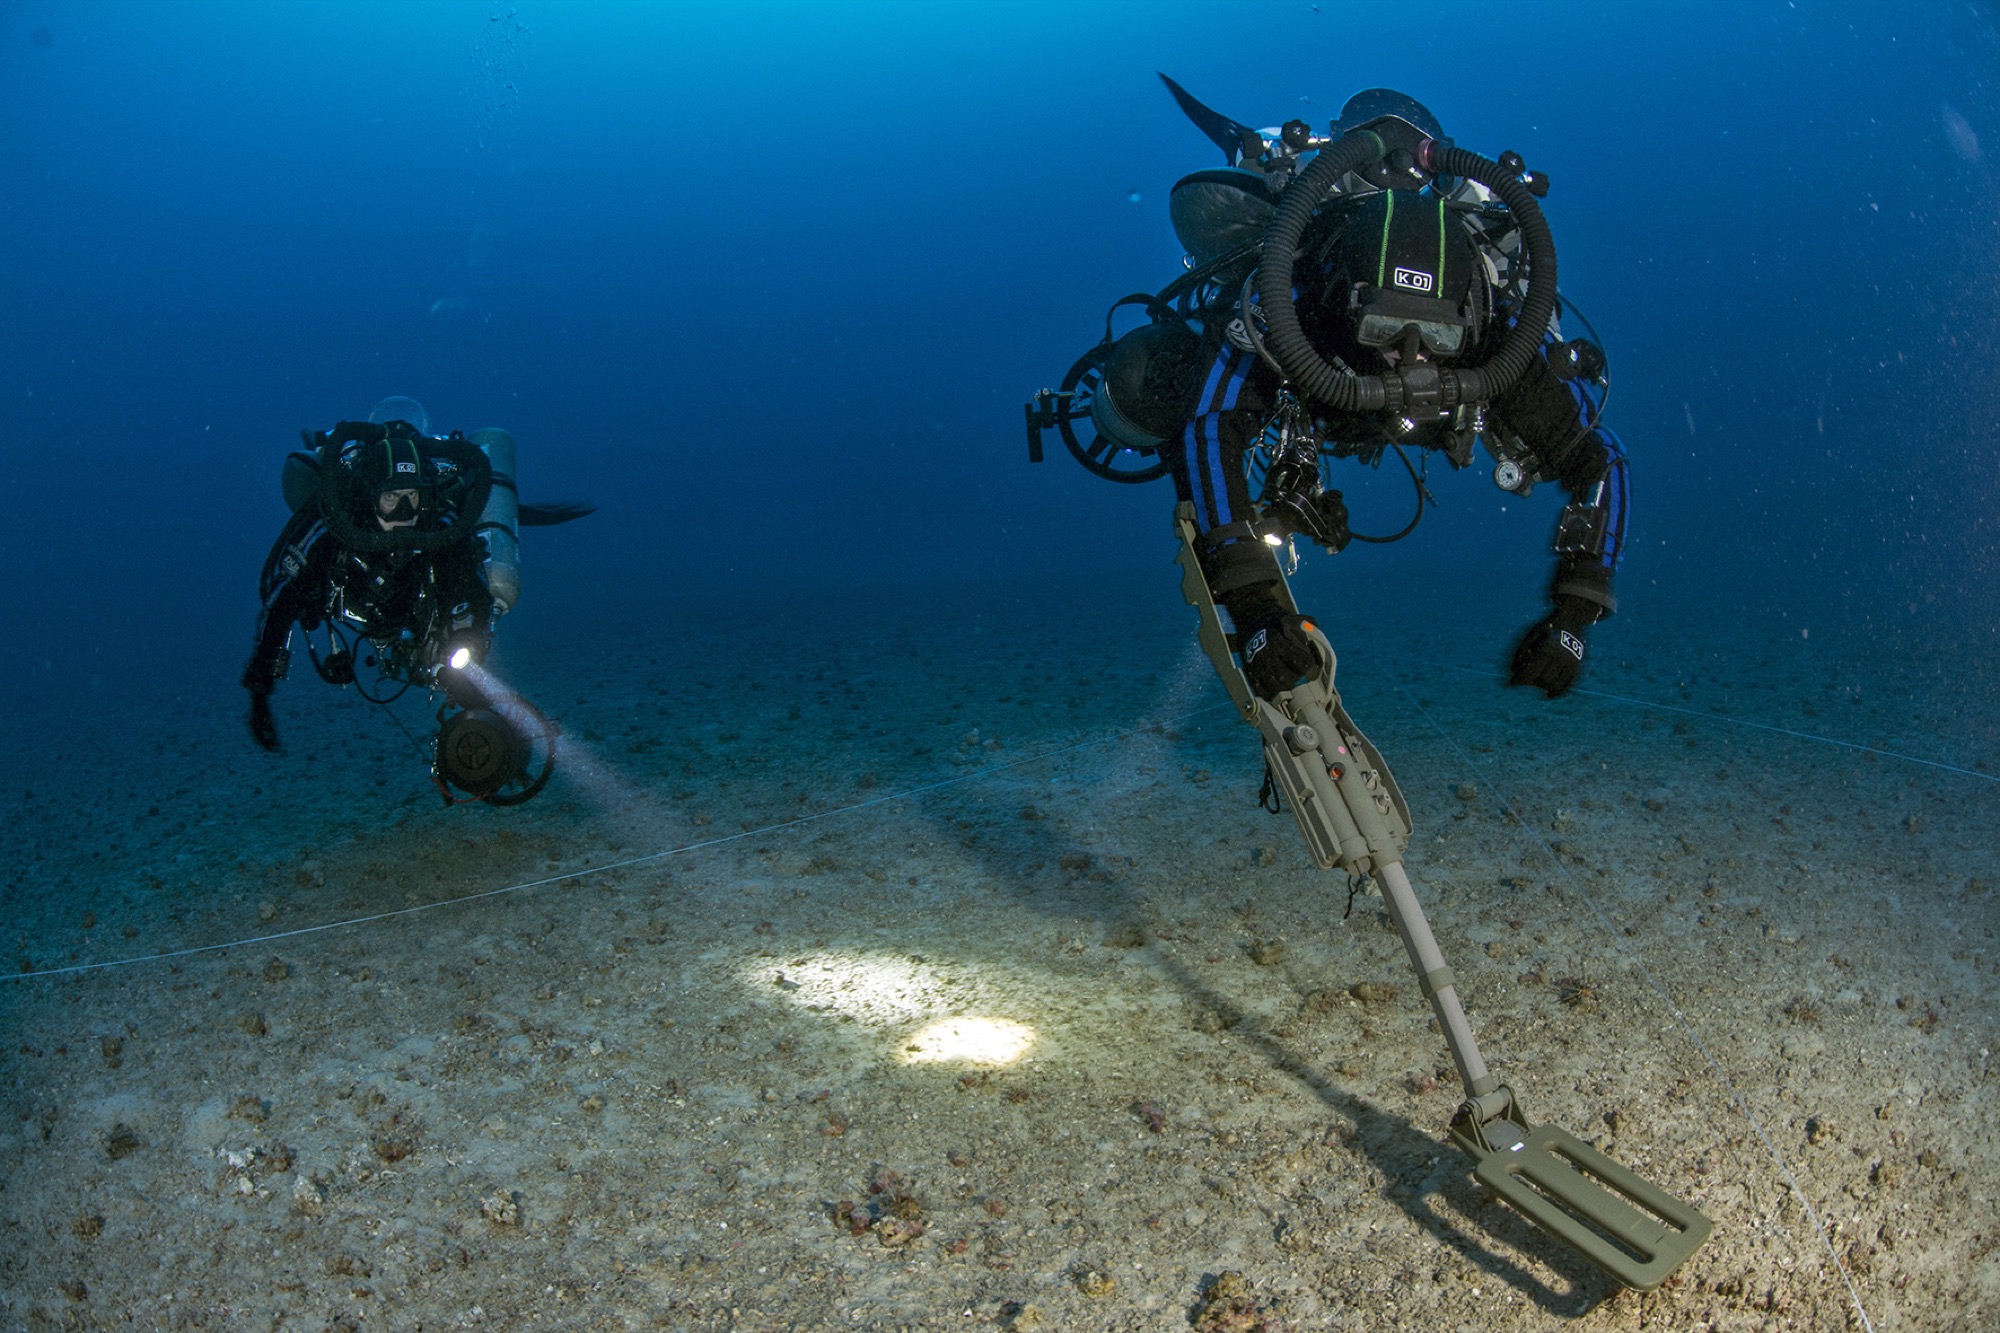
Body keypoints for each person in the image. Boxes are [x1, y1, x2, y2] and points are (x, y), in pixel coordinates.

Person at [1043, 78, 1626, 705]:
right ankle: (1288, 490)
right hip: (1310, 388)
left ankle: (1290, 497)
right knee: (1159, 383)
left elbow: (1599, 458)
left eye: (1436, 335)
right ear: (1341, 300)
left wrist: (1574, 616)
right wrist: (1256, 610)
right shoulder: (1294, 292)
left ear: (1469, 315)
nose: (1409, 357)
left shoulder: (1497, 320)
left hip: (1380, 383)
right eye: (1384, 326)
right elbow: (1211, 428)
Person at [241, 397, 592, 803]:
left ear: (426, 497)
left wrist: (469, 639)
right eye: (392, 500)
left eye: (413, 499)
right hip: (370, 606)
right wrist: (259, 693)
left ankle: (498, 753)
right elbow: (283, 608)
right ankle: (494, 743)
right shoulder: (334, 539)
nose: (404, 513)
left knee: (455, 667)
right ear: (370, 497)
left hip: (423, 620)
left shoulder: (442, 530)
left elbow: (469, 594)